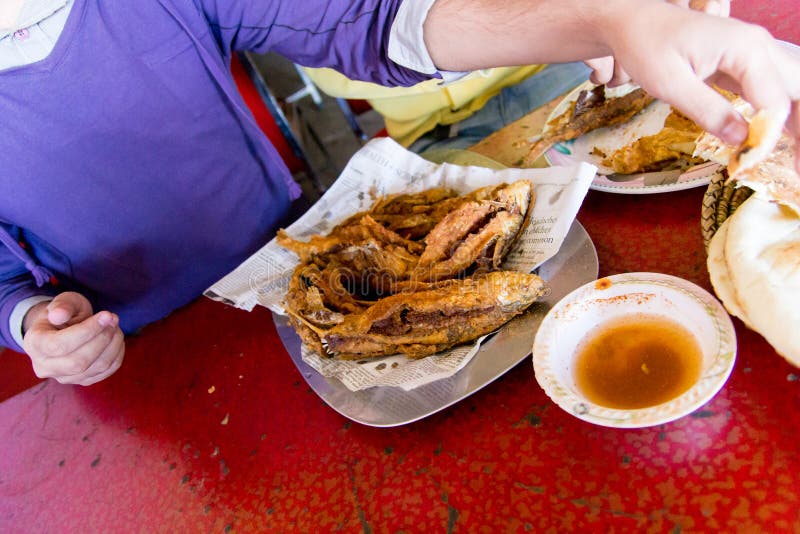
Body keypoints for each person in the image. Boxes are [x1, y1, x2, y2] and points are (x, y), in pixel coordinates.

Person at [2, 0, 799, 386]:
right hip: (137, 352)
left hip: (285, 255)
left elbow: (365, 23)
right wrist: (28, 321)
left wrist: (606, 18)